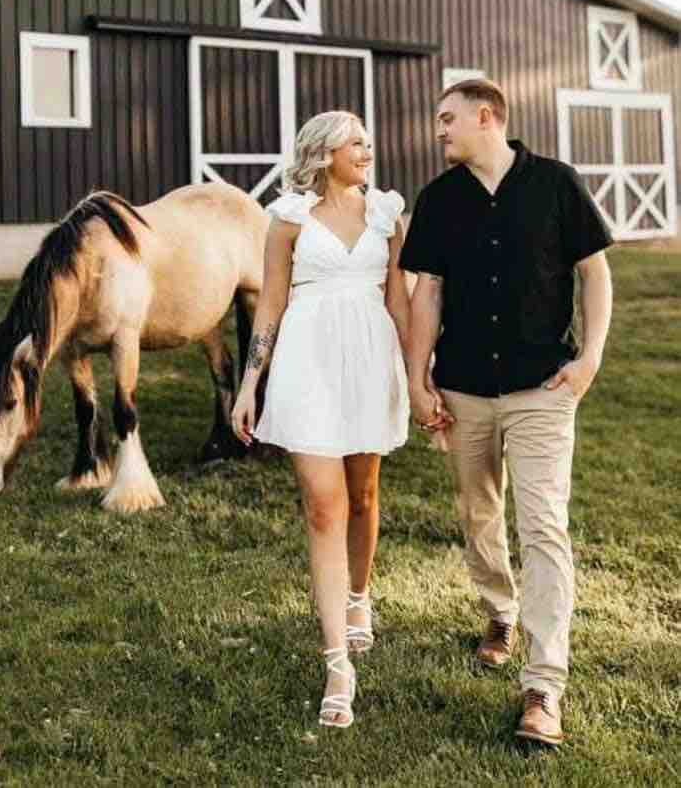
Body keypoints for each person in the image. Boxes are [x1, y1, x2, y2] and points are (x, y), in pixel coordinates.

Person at [399, 79, 613, 748]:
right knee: (477, 511)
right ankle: (499, 611)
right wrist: (417, 379)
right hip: (462, 389)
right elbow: (426, 293)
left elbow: (595, 273)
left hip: (542, 387)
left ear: (485, 117)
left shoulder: (555, 184)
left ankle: (543, 688)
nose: (439, 131)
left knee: (544, 527)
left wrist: (591, 359)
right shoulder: (438, 200)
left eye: (448, 119)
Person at [231, 111, 410, 729]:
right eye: (354, 140)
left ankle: (360, 595)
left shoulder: (387, 213)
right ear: (322, 151)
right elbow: (271, 304)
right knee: (324, 506)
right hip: (307, 363)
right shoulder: (287, 219)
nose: (366, 148)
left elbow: (400, 299)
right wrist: (250, 384)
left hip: (369, 361)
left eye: (367, 138)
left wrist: (419, 377)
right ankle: (338, 662)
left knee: (363, 494)